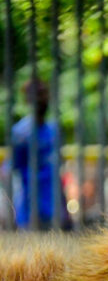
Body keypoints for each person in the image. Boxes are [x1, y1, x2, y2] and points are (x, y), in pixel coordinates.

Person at [1, 79, 68, 230]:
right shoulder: (21, 133)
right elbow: (8, 171)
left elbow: (58, 173)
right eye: (37, 94)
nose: (42, 98)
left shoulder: (53, 130)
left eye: (44, 93)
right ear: (28, 100)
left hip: (54, 209)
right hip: (29, 210)